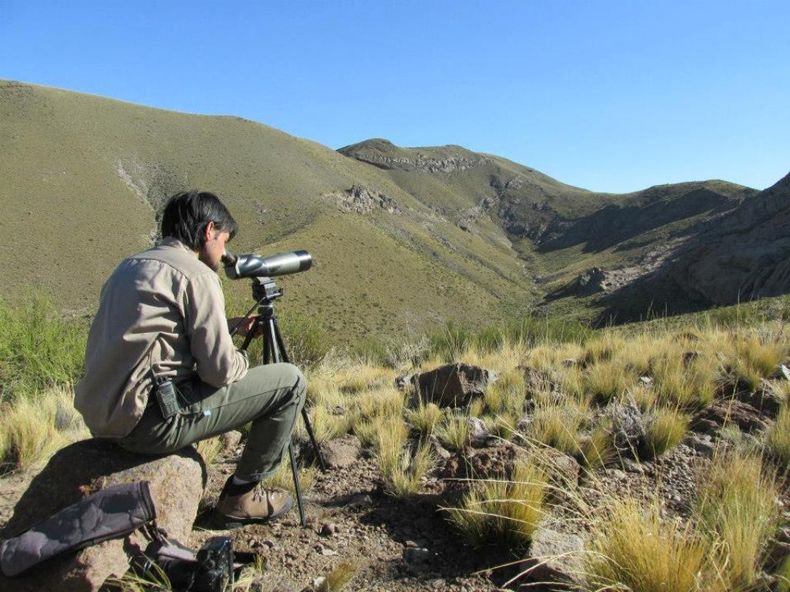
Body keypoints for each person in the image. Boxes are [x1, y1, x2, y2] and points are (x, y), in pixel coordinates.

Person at [74, 190, 306, 528]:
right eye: (224, 241)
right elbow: (219, 372)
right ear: (209, 230)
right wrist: (239, 356)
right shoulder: (197, 275)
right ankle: (240, 497)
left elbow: (153, 333)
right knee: (290, 381)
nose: (225, 252)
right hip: (149, 425)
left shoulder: (127, 267)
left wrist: (227, 329)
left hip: (102, 418)